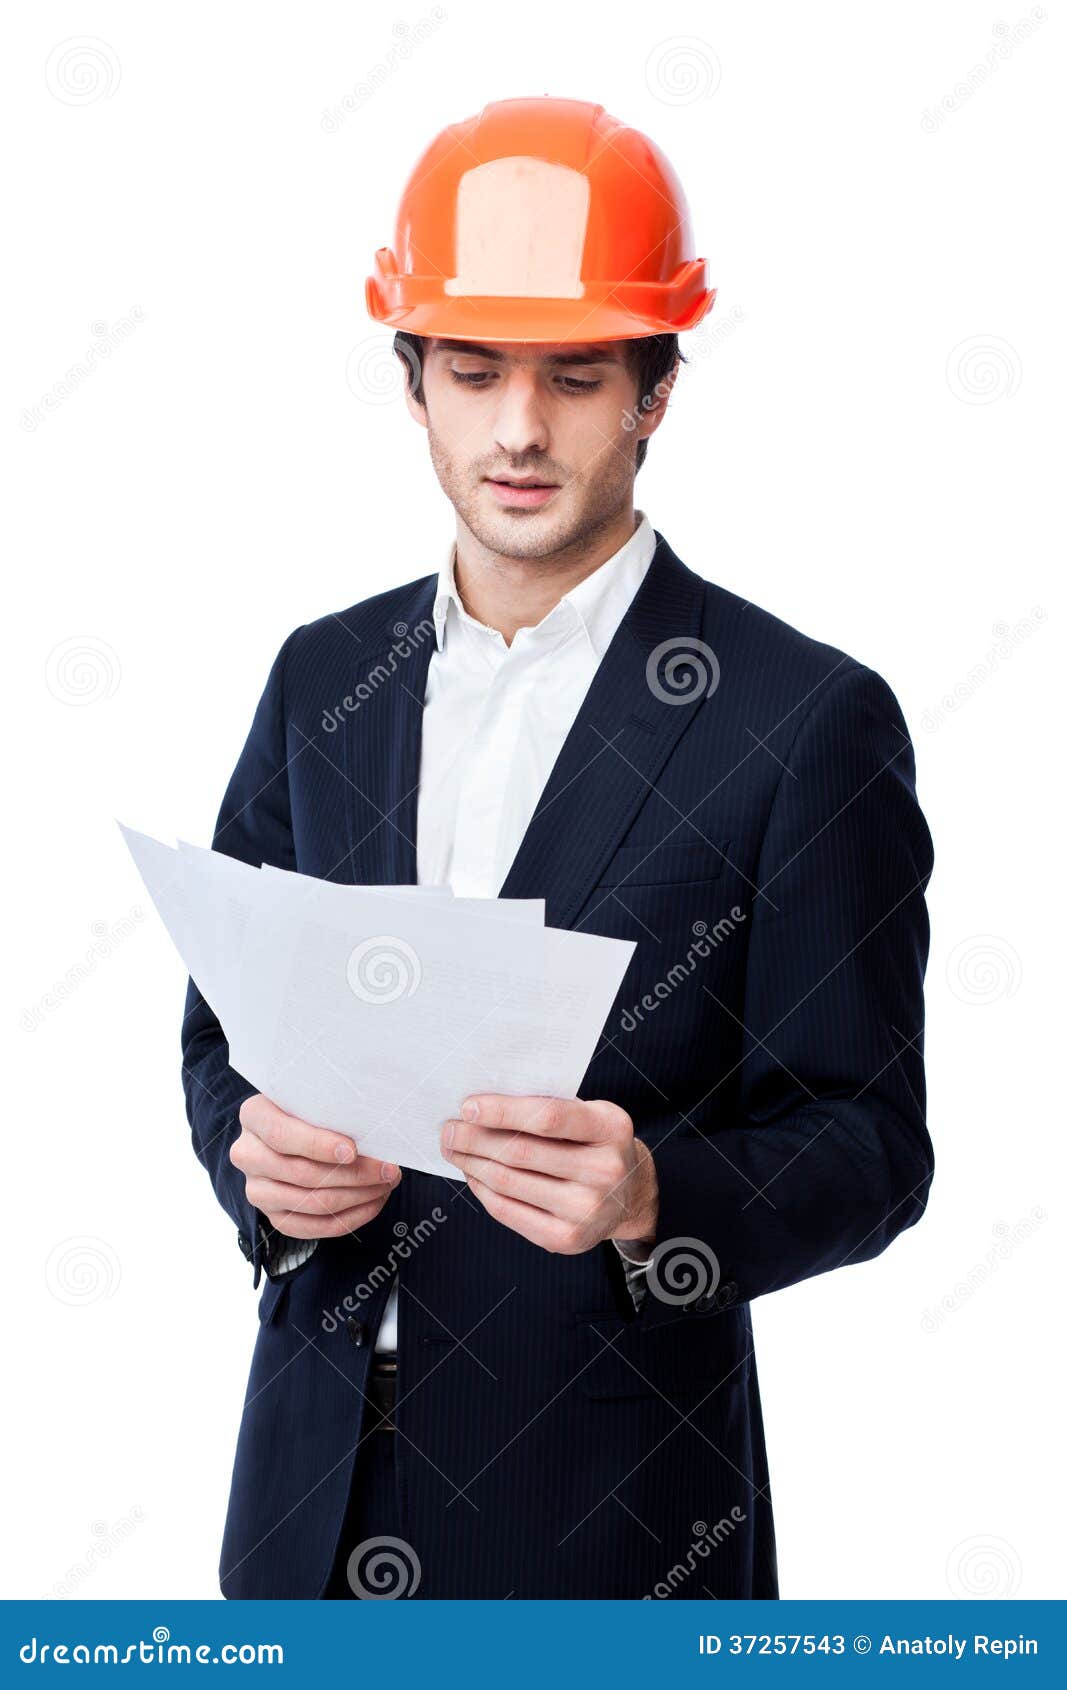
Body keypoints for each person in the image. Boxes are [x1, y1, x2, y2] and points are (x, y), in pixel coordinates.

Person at [181, 96, 935, 1601]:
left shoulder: (801, 721)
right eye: (474, 372)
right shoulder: (325, 679)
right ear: (414, 381)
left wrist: (654, 1198)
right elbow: (224, 1024)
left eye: (576, 377)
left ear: (656, 389)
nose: (518, 429)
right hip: (302, 1508)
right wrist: (252, 1160)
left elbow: (868, 1143)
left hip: (612, 1528)